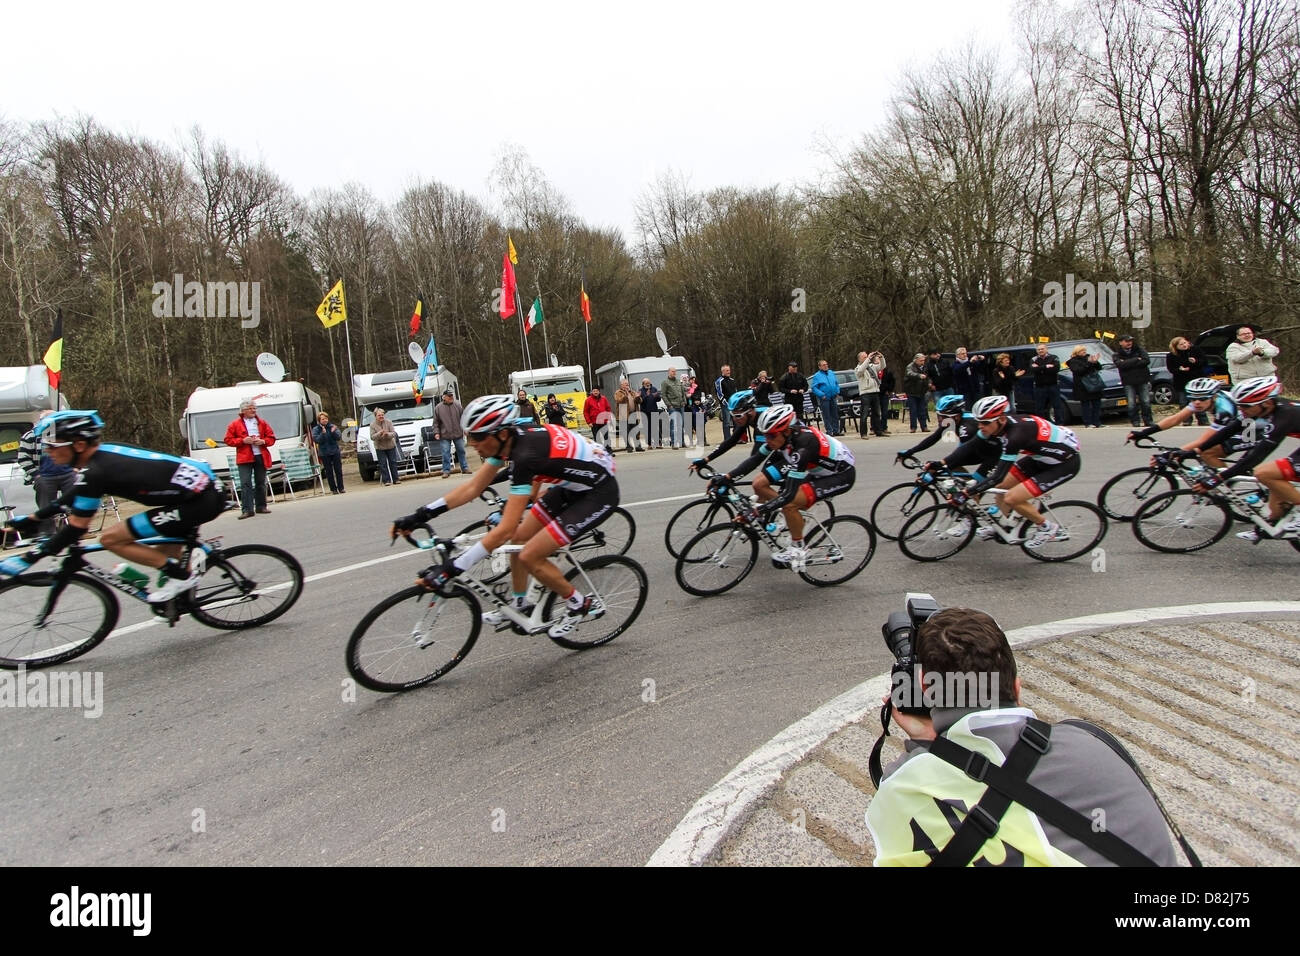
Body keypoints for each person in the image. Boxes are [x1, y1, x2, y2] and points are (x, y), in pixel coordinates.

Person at [866, 607, 1178, 866]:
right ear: (1017, 687)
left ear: (923, 689)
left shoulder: (907, 784)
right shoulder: (1095, 743)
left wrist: (928, 746)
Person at [390, 395, 619, 639]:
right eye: (469, 436)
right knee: (518, 540)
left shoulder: (524, 456)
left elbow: (505, 528)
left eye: (476, 437)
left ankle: (578, 604)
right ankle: (521, 604)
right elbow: (472, 488)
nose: (472, 444)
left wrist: (453, 568)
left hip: (598, 493)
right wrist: (419, 516)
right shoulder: (510, 438)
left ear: (499, 434)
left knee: (530, 553)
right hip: (570, 486)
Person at [1, 411, 225, 603]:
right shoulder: (102, 456)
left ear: (78, 445)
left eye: (52, 446)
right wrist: (34, 518)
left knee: (111, 539)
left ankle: (182, 578)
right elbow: (72, 495)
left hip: (199, 499)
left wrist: (28, 558)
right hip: (194, 492)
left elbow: (77, 527)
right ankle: (176, 601)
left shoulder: (96, 471)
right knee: (163, 554)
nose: (47, 452)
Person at [710, 404, 855, 567]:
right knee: (780, 497)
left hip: (841, 476)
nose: (767, 440)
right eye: (765, 435)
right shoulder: (785, 437)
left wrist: (757, 511)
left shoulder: (804, 446)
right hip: (818, 471)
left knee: (790, 504)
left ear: (786, 431)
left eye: (771, 436)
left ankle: (798, 549)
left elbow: (788, 495)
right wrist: (727, 477)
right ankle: (793, 524)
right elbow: (755, 460)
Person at [931, 395, 1082, 548]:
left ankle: (1048, 528)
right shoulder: (997, 424)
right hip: (1040, 458)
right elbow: (969, 446)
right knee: (1001, 489)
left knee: (1011, 498)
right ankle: (1003, 525)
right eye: (978, 422)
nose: (980, 426)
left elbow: (997, 476)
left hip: (1063, 465)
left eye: (985, 423)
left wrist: (965, 494)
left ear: (1001, 419)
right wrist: (942, 463)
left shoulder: (1015, 437)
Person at [1178, 376, 1300, 542]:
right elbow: (1230, 429)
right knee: (1276, 483)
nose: (1241, 410)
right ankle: (1270, 526)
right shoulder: (1265, 408)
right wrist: (1197, 450)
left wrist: (1219, 478)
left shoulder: (1285, 415)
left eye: (1245, 406)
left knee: (1264, 473)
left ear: (1267, 403)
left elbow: (1258, 455)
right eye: (1239, 405)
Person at [1127, 377, 1241, 469]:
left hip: (1251, 431)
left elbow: (1204, 441)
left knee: (1207, 452)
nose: (1196, 402)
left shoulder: (1224, 410)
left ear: (1214, 397)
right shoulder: (1201, 400)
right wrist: (1144, 432)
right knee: (1203, 453)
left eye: (1202, 398)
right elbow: (1176, 419)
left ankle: (1225, 486)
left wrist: (1173, 454)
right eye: (1192, 398)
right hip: (1237, 426)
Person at [16, 412, 79, 536]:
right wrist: (36, 475)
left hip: (67, 473)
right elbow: (23, 459)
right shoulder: (30, 436)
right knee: (45, 503)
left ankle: (76, 529)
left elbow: (77, 451)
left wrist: (76, 468)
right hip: (45, 476)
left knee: (75, 499)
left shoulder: (65, 434)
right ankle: (47, 532)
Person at [225, 398, 277, 514]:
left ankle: (261, 506)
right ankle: (247, 510)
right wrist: (243, 441)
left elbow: (271, 437)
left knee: (260, 482)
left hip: (260, 455)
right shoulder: (234, 424)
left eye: (254, 408)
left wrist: (263, 441)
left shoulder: (262, 422)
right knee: (245, 483)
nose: (253, 410)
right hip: (244, 457)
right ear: (243, 410)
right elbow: (228, 440)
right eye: (250, 408)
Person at [1113, 334, 1154, 428]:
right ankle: (1135, 421)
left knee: (1146, 401)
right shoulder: (1117, 354)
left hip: (1142, 379)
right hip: (1128, 381)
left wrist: (1127, 362)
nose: (1129, 343)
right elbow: (1120, 365)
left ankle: (1148, 420)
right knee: (1131, 403)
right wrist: (1136, 359)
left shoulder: (1139, 350)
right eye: (1126, 341)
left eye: (1130, 341)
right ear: (1121, 342)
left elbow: (1146, 361)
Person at [1166, 336, 1210, 423]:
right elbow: (1171, 369)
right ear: (1175, 346)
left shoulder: (1196, 350)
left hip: (1196, 380)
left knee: (1199, 401)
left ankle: (1203, 419)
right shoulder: (1171, 356)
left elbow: (1205, 362)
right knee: (1183, 402)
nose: (1184, 345)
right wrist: (1180, 369)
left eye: (1185, 343)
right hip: (1182, 381)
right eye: (1181, 344)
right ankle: (1186, 420)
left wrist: (1196, 361)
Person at [433, 390, 471, 478]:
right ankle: (446, 470)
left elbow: (463, 418)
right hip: (444, 434)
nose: (451, 397)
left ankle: (464, 468)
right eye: (449, 396)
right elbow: (435, 422)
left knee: (461, 451)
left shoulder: (458, 405)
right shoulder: (438, 408)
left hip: (458, 433)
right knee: (445, 452)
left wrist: (465, 428)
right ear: (444, 397)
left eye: (452, 396)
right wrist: (436, 433)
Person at [1066, 345, 1105, 429]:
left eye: (1084, 350)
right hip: (1082, 386)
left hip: (1094, 383)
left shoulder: (1089, 357)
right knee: (1086, 405)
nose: (1084, 352)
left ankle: (1097, 422)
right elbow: (1079, 371)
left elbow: (1099, 368)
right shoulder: (1073, 361)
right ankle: (1088, 423)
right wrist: (1089, 363)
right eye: (1081, 351)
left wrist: (1095, 362)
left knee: (1097, 404)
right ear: (1077, 352)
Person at [1029, 343, 1068, 424]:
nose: (1040, 351)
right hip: (1039, 386)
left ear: (1046, 349)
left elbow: (1056, 369)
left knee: (1056, 405)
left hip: (1053, 385)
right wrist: (1046, 366)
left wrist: (1039, 368)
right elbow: (1033, 370)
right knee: (1039, 406)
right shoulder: (1033, 359)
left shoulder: (1054, 357)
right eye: (1039, 349)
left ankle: (1059, 423)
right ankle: (1042, 424)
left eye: (1042, 349)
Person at [855, 351, 887, 438]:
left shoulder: (872, 367)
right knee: (864, 414)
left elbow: (882, 366)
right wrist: (868, 359)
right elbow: (861, 370)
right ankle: (863, 433)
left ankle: (878, 431)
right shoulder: (858, 369)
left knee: (877, 413)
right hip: (865, 393)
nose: (867, 358)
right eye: (864, 357)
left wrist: (881, 357)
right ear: (860, 359)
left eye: (867, 357)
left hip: (875, 391)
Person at [312, 412, 345, 494]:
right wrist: (323, 434)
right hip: (324, 453)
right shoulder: (316, 429)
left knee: (338, 470)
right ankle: (333, 489)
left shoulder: (332, 426)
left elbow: (338, 437)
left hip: (335, 451)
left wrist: (333, 432)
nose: (325, 420)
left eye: (326, 418)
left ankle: (341, 488)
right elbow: (317, 440)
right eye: (323, 419)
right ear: (319, 420)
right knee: (329, 472)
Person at [367, 406, 401, 486]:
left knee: (393, 462)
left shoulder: (388, 422)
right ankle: (386, 481)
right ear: (375, 416)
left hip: (390, 445)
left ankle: (396, 479)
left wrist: (387, 434)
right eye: (379, 415)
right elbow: (372, 437)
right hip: (380, 447)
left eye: (382, 415)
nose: (381, 416)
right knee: (383, 464)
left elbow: (394, 433)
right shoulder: (372, 425)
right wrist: (379, 434)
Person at [810, 359, 842, 436]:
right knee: (827, 415)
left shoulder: (831, 373)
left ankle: (836, 430)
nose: (826, 366)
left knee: (835, 414)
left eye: (826, 364)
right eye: (824, 365)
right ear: (820, 367)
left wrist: (837, 391)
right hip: (824, 398)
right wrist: (821, 395)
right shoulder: (817, 376)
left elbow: (836, 383)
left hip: (833, 396)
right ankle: (829, 431)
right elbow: (814, 388)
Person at [903, 354, 931, 433]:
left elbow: (928, 377)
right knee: (913, 410)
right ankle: (913, 427)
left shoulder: (925, 367)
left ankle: (924, 426)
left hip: (922, 392)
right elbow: (909, 373)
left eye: (923, 360)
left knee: (922, 410)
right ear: (915, 360)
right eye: (921, 361)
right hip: (912, 392)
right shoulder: (910, 366)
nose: (922, 362)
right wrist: (918, 375)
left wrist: (928, 383)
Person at [660, 368, 686, 448]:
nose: (674, 373)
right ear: (669, 372)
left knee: (681, 425)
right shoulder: (665, 382)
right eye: (672, 371)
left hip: (681, 406)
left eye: (675, 371)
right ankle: (674, 443)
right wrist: (669, 405)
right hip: (672, 406)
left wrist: (684, 401)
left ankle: (682, 442)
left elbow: (683, 392)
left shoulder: (679, 381)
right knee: (673, 425)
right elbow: (663, 395)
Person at [613, 379, 642, 451]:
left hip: (633, 414)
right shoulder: (618, 392)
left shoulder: (632, 392)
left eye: (628, 384)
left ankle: (638, 446)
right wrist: (625, 395)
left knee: (636, 431)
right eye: (625, 384)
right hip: (624, 415)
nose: (627, 385)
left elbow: (640, 401)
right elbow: (619, 400)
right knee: (626, 431)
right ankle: (629, 446)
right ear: (621, 385)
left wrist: (638, 397)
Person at [715, 365, 738, 442]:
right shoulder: (719, 381)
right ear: (723, 372)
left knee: (736, 421)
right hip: (726, 405)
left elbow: (735, 392)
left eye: (729, 370)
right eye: (727, 371)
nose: (729, 372)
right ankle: (727, 439)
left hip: (734, 404)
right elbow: (719, 394)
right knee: (727, 422)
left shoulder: (732, 380)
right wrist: (726, 403)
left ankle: (736, 438)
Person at [638, 378, 662, 448]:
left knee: (655, 428)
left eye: (649, 383)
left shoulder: (654, 389)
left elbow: (659, 399)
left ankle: (658, 443)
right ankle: (649, 444)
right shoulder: (640, 391)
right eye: (646, 383)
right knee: (647, 429)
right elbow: (640, 401)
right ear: (643, 384)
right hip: (645, 412)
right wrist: (646, 395)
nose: (648, 384)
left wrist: (657, 396)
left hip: (654, 410)